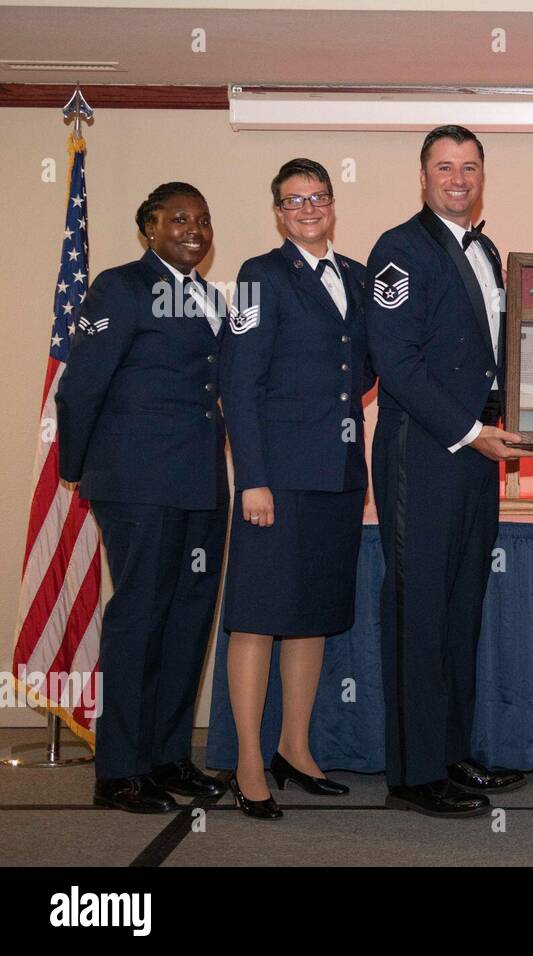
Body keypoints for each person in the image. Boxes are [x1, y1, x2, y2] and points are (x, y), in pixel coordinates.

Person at [365, 125, 533, 819]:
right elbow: (397, 365)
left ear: (482, 176)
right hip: (424, 454)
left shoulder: (487, 250)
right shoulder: (399, 250)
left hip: (474, 454)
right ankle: (414, 773)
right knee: (419, 610)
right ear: (423, 177)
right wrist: (471, 433)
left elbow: (501, 352)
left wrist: (518, 417)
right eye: (444, 166)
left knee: (461, 606)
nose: (458, 178)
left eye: (469, 166)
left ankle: (451, 753)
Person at [55, 182, 229, 812]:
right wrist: (78, 469)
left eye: (202, 219)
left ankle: (167, 757)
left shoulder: (210, 298)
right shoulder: (120, 287)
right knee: (140, 619)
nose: (193, 230)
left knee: (188, 620)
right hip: (138, 484)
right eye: (178, 218)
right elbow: (81, 385)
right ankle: (120, 771)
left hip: (201, 484)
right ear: (148, 227)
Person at [219, 159, 374, 820]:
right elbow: (238, 383)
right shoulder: (260, 275)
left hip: (338, 475)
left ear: (332, 204)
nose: (308, 208)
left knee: (312, 614)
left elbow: (364, 367)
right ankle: (248, 763)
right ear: (278, 212)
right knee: (258, 615)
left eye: (318, 197)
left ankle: (295, 748)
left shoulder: (359, 276)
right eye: (293, 200)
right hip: (277, 481)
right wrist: (252, 479)